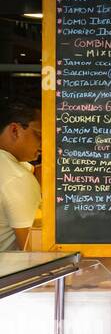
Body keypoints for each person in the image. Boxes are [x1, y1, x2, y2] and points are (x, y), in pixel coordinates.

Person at [0, 95, 41, 251]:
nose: (44, 143)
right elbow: (32, 252)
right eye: (39, 135)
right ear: (15, 130)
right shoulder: (18, 178)